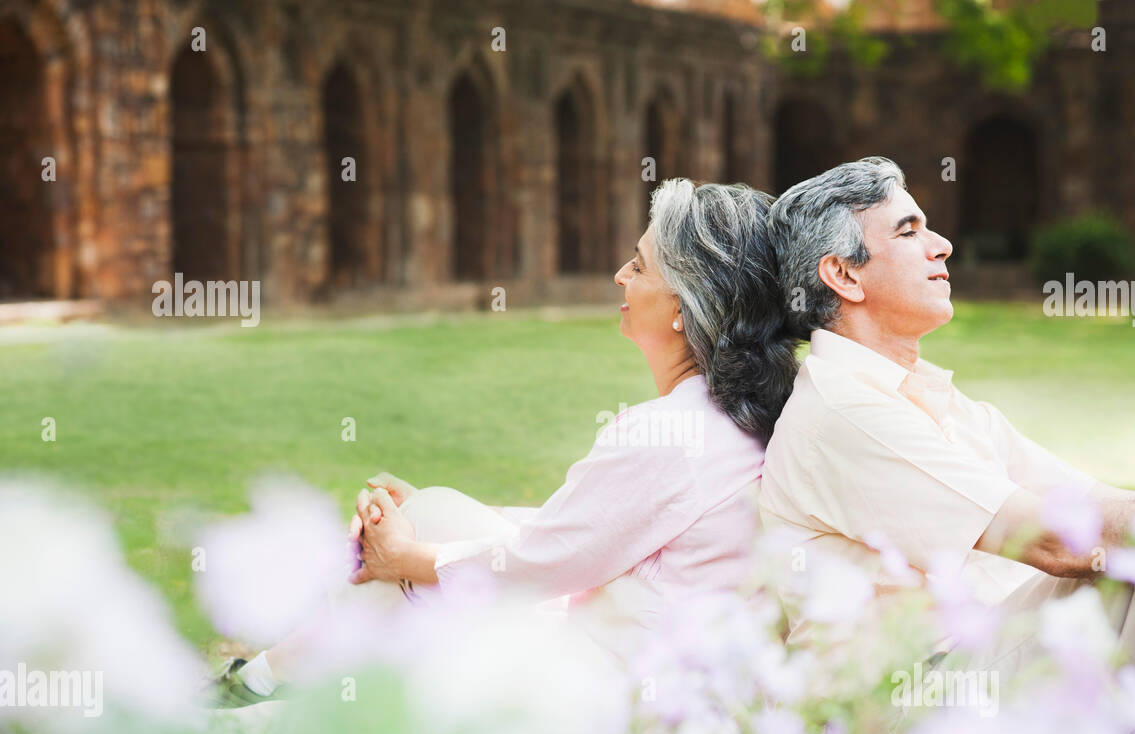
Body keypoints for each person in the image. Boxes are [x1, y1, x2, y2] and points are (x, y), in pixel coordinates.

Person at [212, 179, 801, 704]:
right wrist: (421, 530)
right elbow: (590, 529)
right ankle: (269, 684)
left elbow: (544, 562)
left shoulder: (675, 432)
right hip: (666, 671)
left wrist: (406, 556)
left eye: (639, 266)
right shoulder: (725, 420)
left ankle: (264, 690)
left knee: (423, 542)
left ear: (683, 305)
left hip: (619, 690)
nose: (621, 276)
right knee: (429, 515)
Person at [758, 157, 1135, 668]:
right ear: (845, 276)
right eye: (908, 231)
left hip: (984, 660)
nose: (942, 245)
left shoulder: (935, 400)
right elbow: (1059, 542)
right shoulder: (843, 411)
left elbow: (1101, 505)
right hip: (909, 706)